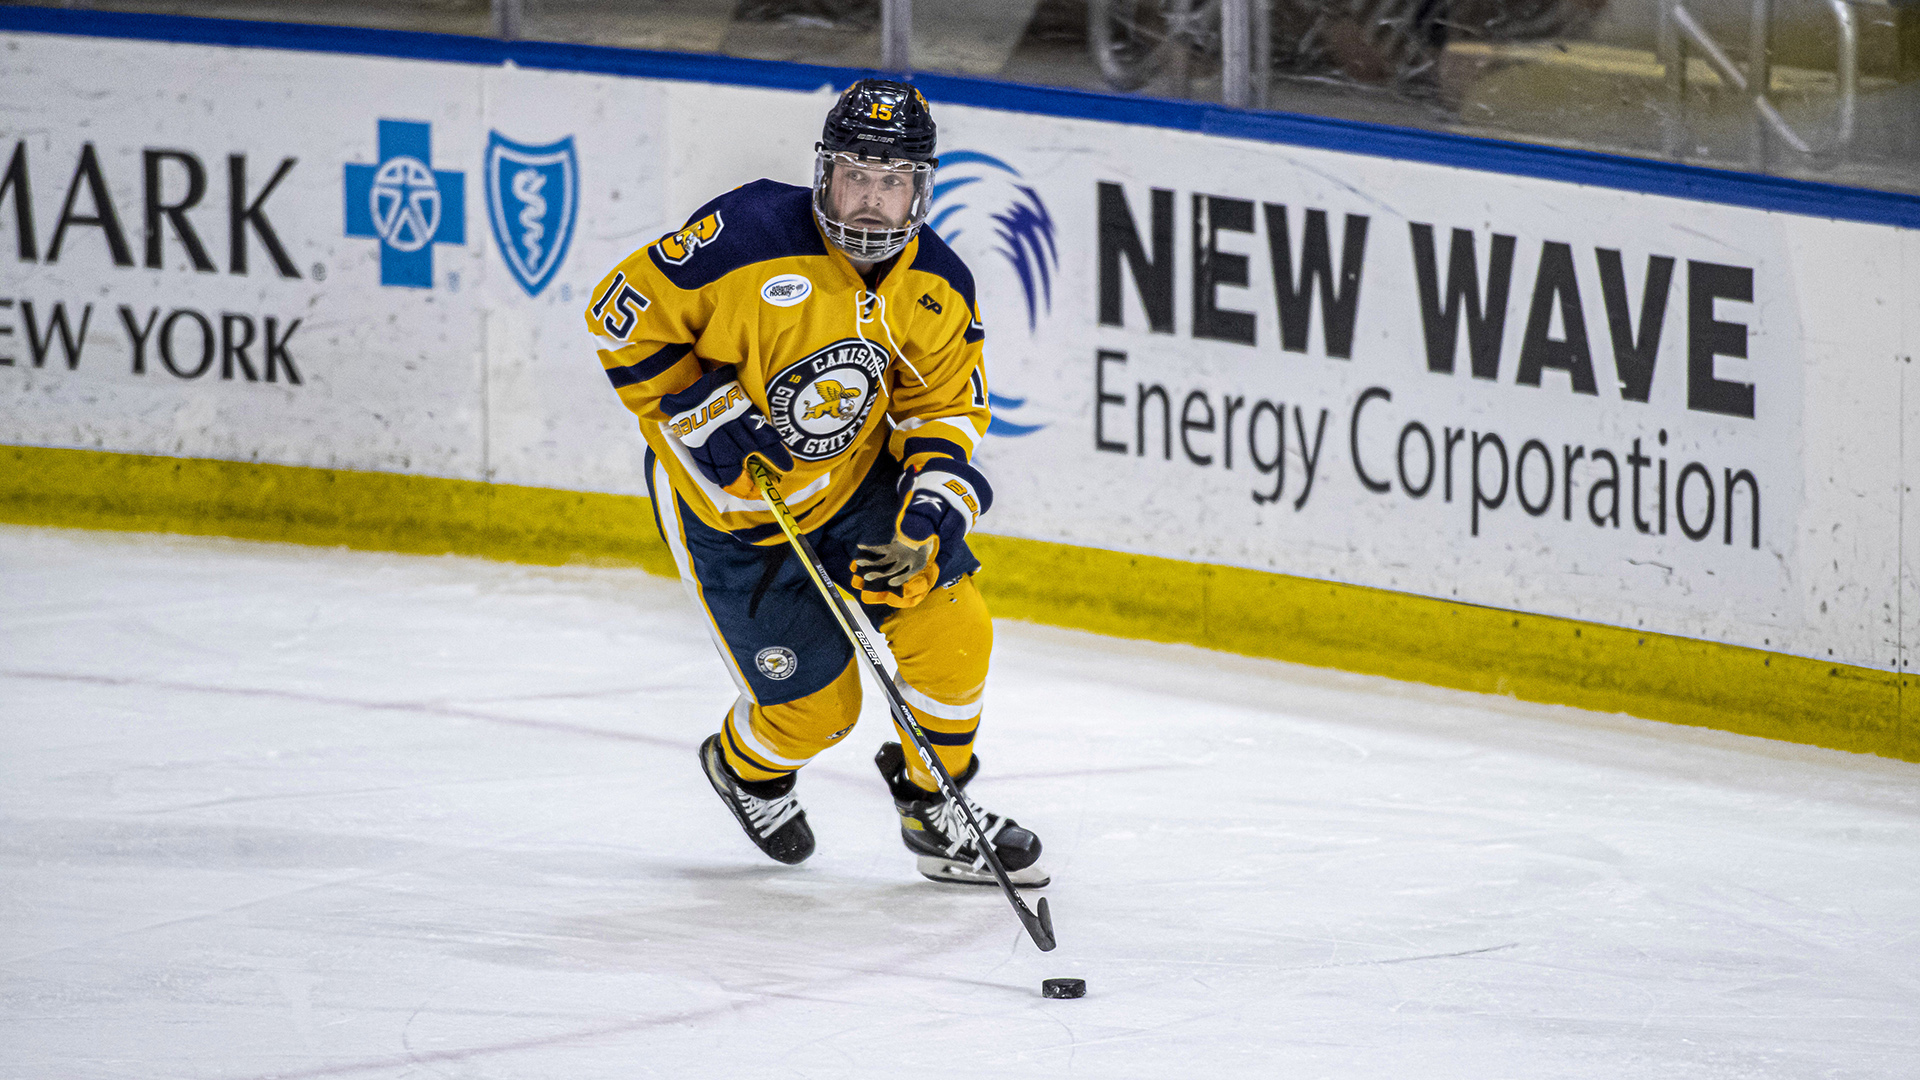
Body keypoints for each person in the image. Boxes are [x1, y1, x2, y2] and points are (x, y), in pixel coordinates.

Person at [581, 79, 1047, 889]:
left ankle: (937, 806)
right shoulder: (746, 235)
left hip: (858, 489)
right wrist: (709, 417)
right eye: (856, 177)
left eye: (892, 181)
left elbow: (944, 407)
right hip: (731, 516)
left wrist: (927, 514)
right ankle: (747, 770)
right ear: (824, 171)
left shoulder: (937, 284)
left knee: (955, 632)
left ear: (921, 188)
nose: (870, 202)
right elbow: (620, 314)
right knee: (816, 715)